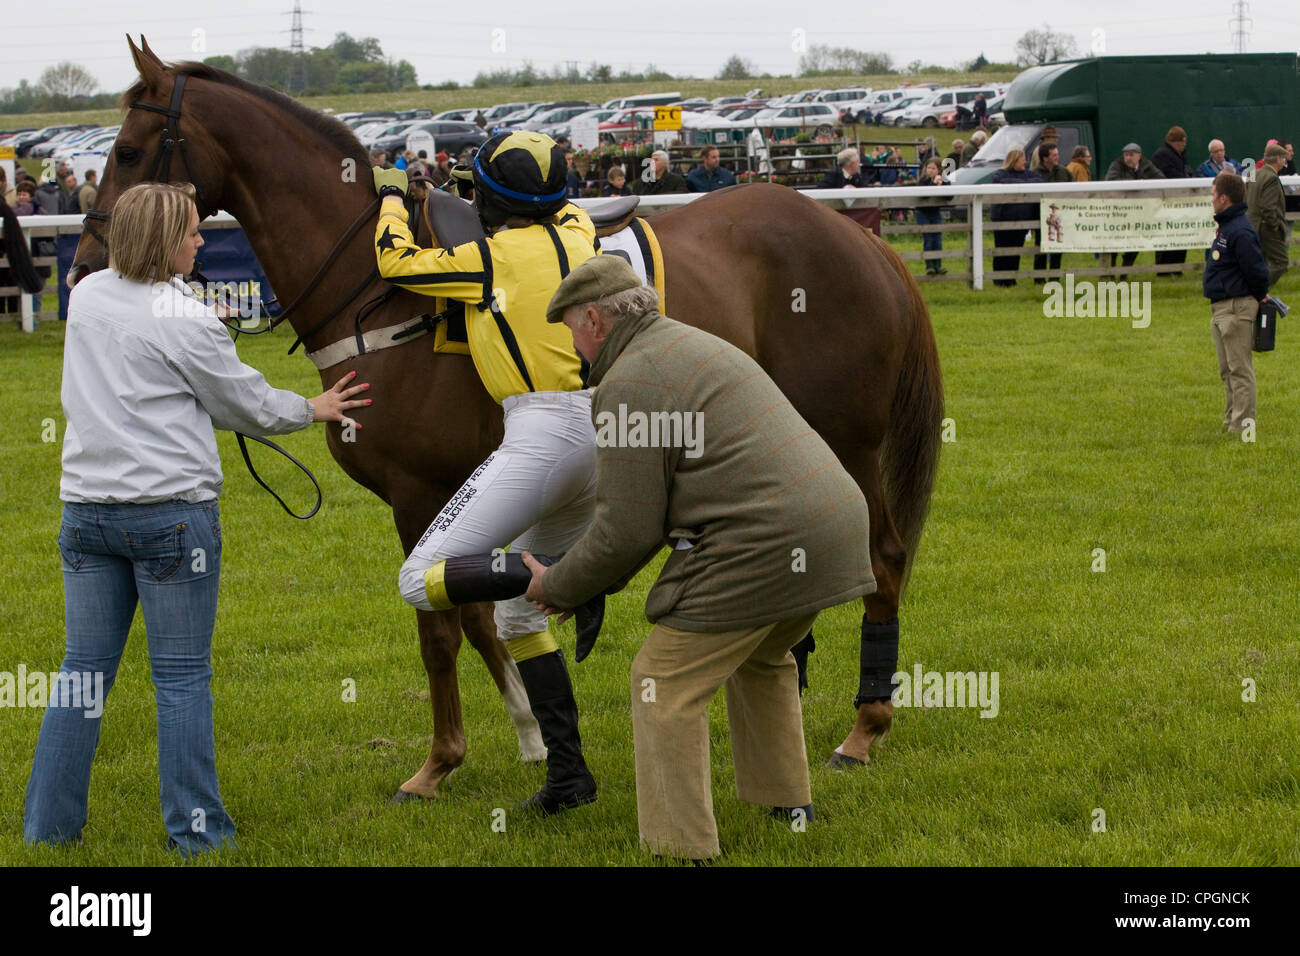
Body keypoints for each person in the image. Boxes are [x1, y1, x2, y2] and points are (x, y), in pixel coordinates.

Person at [24, 182, 368, 855]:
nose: (201, 241)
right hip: (170, 518)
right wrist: (313, 407)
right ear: (162, 241)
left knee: (82, 674)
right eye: (191, 231)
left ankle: (47, 828)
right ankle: (199, 835)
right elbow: (246, 404)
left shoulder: (88, 294)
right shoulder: (187, 319)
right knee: (181, 679)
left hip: (86, 513)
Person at [520, 255, 875, 862]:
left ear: (595, 320)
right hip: (835, 527)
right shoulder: (692, 343)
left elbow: (627, 528)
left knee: (663, 683)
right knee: (762, 654)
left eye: (571, 330)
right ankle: (786, 803)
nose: (572, 347)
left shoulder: (629, 384)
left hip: (764, 542)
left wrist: (558, 583)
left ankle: (680, 849)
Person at [371, 130, 602, 813]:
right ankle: (568, 777)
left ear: (491, 202)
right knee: (515, 620)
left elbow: (395, 260)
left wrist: (391, 192)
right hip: (605, 426)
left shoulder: (486, 260)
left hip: (541, 434)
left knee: (420, 579)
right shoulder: (580, 231)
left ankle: (559, 575)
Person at [1204, 171, 1270, 434]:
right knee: (1227, 370)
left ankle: (1243, 426)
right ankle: (1231, 419)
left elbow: (1258, 271)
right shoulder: (1228, 227)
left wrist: (1254, 296)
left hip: (1235, 307)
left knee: (1240, 370)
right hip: (1221, 307)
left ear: (1224, 198)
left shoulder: (1240, 231)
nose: (1211, 200)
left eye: (1213, 195)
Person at [1105, 143, 1164, 275]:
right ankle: (1111, 270)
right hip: (1119, 212)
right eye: (1126, 155)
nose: (1128, 158)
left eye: (1131, 155)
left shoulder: (1146, 165)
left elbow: (1161, 179)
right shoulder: (1117, 165)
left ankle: (1125, 270)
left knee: (1137, 241)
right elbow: (1110, 181)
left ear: (1139, 156)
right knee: (1115, 242)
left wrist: (1146, 183)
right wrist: (1134, 185)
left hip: (1140, 212)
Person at [989, 148, 1041, 287]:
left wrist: (1020, 184)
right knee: (1002, 250)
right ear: (1014, 160)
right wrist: (1023, 184)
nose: (1025, 161)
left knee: (1016, 250)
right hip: (1003, 219)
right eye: (1022, 158)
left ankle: (1011, 279)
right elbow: (999, 180)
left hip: (1022, 218)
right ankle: (999, 279)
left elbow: (1039, 181)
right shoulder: (1001, 173)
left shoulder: (1029, 174)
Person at [1245, 143, 1289, 289]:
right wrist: (1275, 225)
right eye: (1283, 158)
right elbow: (1268, 207)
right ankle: (1259, 289)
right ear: (1277, 159)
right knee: (1281, 262)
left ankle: (1254, 290)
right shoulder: (1271, 178)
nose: (1285, 161)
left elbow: (1246, 200)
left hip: (1251, 226)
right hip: (1267, 228)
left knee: (1260, 263)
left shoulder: (1253, 174)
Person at [1152, 127, 1194, 272]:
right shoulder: (1163, 155)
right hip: (1166, 202)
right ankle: (1165, 269)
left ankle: (1176, 267)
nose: (1184, 144)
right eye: (1183, 141)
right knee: (1168, 234)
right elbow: (1171, 176)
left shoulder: (1178, 155)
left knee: (1179, 233)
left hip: (1177, 202)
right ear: (1177, 141)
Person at [1033, 143, 1071, 281]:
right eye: (1054, 155)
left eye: (1057, 154)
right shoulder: (1035, 174)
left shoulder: (1064, 172)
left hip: (1060, 215)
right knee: (1040, 247)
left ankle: (1054, 278)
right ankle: (1039, 278)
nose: (1057, 157)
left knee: (1057, 246)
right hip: (1042, 215)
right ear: (1045, 158)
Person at [915, 156, 948, 275]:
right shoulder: (923, 180)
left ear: (939, 170)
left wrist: (942, 184)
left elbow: (949, 196)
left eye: (933, 168)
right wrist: (933, 184)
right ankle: (929, 266)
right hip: (923, 213)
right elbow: (922, 195)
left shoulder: (942, 179)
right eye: (929, 168)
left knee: (937, 240)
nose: (930, 170)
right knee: (928, 239)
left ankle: (938, 265)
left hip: (935, 213)